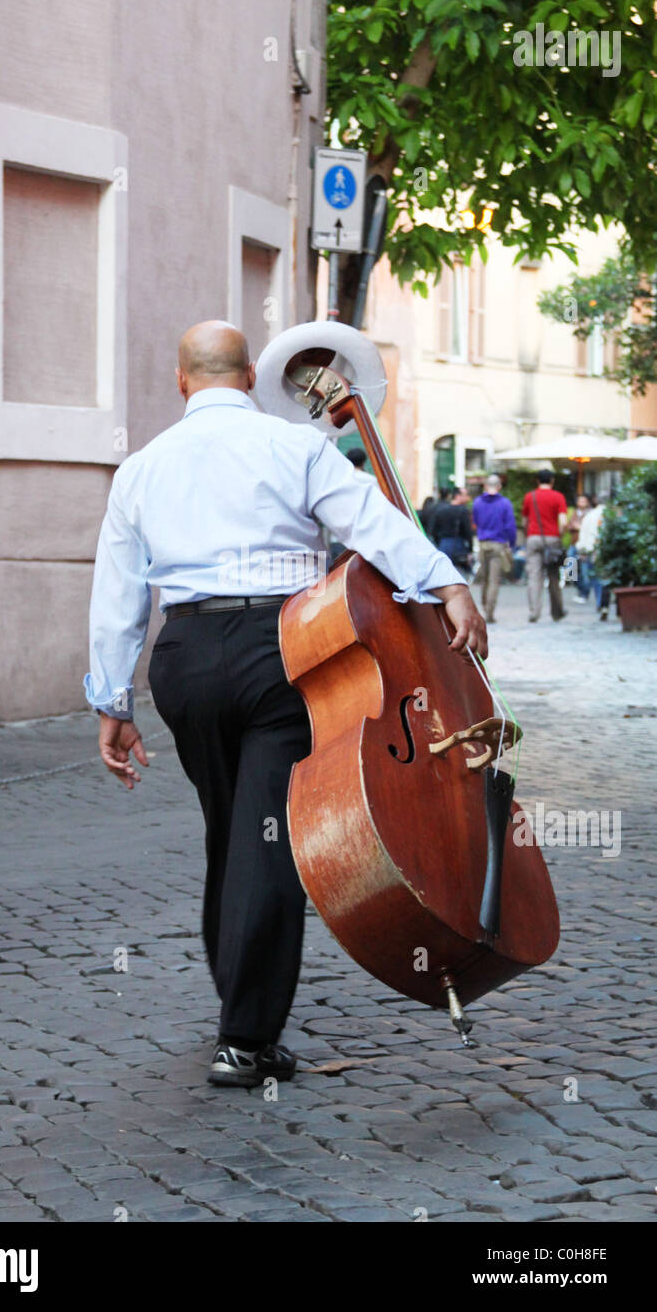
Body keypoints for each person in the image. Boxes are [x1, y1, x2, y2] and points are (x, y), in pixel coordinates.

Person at [84, 321, 487, 1089]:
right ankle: (244, 1039)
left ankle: (244, 1013)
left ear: (181, 382)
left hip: (187, 658)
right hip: (285, 649)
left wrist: (112, 702)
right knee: (270, 837)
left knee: (230, 833)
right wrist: (450, 586)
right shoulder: (295, 448)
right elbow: (373, 526)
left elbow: (118, 595)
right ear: (248, 379)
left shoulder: (139, 469)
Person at [522, 469, 568, 622]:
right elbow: (563, 522)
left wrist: (528, 534)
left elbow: (524, 521)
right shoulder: (559, 497)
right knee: (554, 576)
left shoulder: (530, 496)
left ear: (537, 480)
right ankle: (557, 612)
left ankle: (534, 612)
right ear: (552, 481)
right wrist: (559, 536)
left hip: (533, 538)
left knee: (534, 576)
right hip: (552, 539)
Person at [472, 474, 516, 623]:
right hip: (498, 544)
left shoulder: (477, 502)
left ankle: (484, 606)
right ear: (499, 486)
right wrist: (512, 542)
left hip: (483, 544)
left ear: (485, 486)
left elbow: (476, 521)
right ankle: (489, 612)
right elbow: (510, 526)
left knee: (484, 578)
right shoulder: (505, 503)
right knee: (494, 580)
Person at [579, 497, 610, 620]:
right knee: (605, 579)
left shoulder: (589, 515)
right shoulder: (610, 515)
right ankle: (602, 603)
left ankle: (599, 602)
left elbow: (583, 533)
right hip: (606, 550)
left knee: (595, 577)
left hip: (591, 550)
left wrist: (582, 549)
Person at [430, 487, 472, 576]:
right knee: (458, 574)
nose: (467, 498)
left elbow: (433, 530)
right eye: (465, 495)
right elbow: (468, 532)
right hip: (458, 545)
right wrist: (469, 550)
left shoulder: (441, 510)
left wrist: (439, 542)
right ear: (457, 496)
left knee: (444, 574)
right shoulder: (463, 511)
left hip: (443, 544)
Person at [570, 493, 593, 602]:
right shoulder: (575, 513)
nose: (581, 503)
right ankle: (580, 589)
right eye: (579, 501)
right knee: (570, 568)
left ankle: (585, 594)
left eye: (583, 501)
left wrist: (579, 526)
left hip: (584, 545)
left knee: (585, 570)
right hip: (573, 544)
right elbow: (569, 525)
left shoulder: (591, 514)